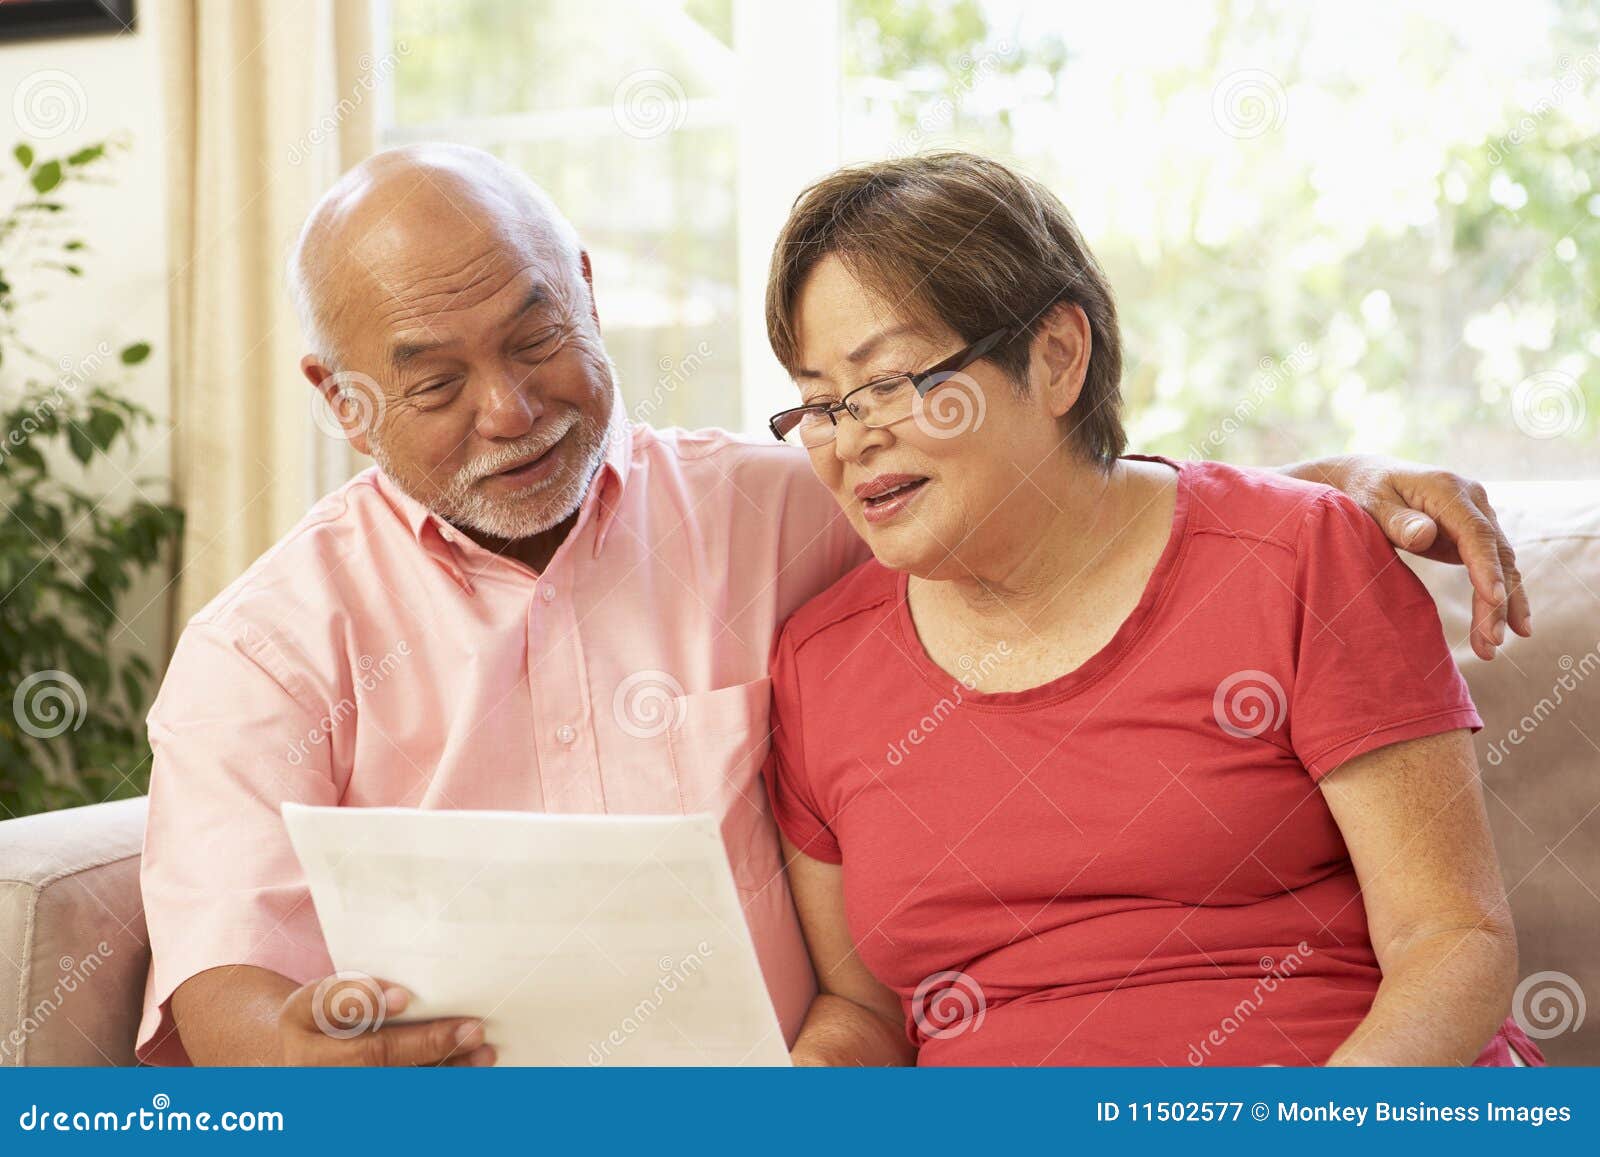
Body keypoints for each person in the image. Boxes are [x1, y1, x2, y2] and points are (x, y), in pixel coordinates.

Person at [139, 143, 1531, 1066]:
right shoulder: (266, 648)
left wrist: (1343, 489)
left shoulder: (782, 506)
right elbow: (222, 982)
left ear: (588, 295)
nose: (510, 410)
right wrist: (305, 1065)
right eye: (436, 382)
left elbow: (1064, 496)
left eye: (537, 336)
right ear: (341, 400)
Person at [761, 151, 1542, 1066]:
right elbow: (863, 1010)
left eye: (890, 382)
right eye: (820, 404)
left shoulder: (1303, 555)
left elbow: (1451, 937)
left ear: (1057, 356)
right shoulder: (818, 662)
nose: (851, 438)